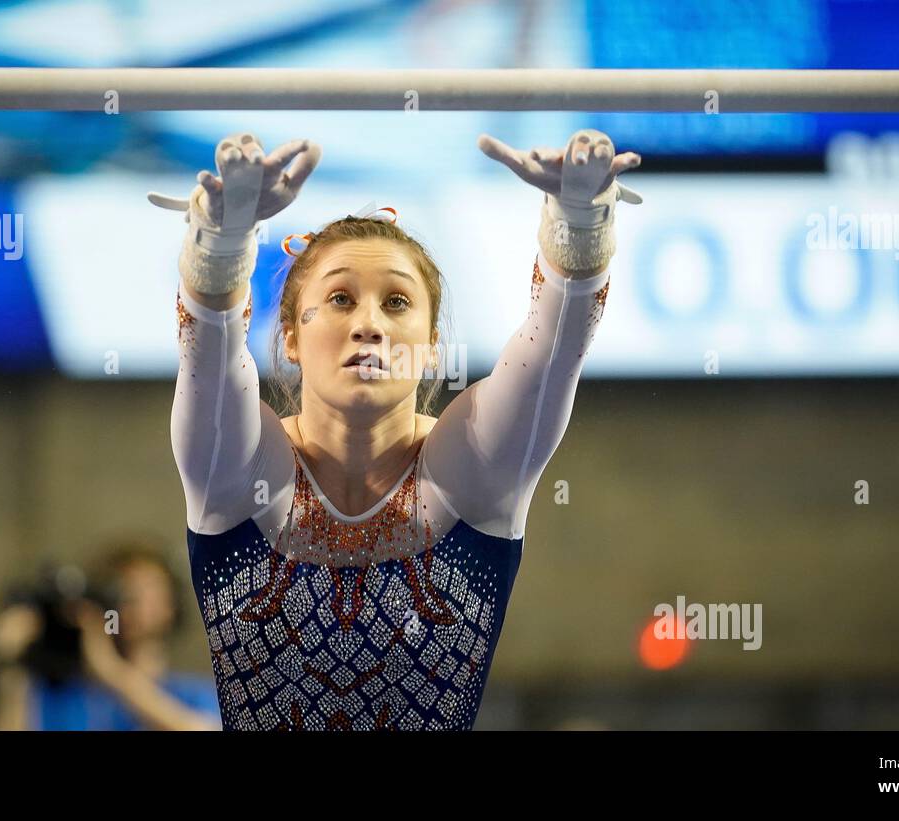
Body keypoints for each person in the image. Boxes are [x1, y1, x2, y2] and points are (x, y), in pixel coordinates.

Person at [153, 128, 640, 730]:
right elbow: (208, 355)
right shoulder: (245, 474)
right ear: (290, 340)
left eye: (396, 303)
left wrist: (580, 222)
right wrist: (221, 242)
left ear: (432, 349)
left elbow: (556, 347)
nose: (369, 325)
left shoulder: (467, 476)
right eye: (338, 299)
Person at [0, 543, 221, 730]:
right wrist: (19, 663)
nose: (130, 598)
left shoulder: (194, 695)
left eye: (144, 587)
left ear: (171, 606)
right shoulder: (64, 695)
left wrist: (109, 669)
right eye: (119, 588)